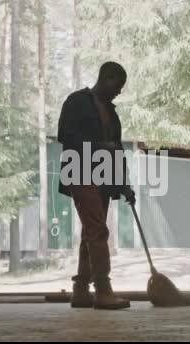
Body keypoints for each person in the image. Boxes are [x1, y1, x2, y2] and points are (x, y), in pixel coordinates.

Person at [57, 62, 135, 310]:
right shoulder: (76, 102)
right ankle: (103, 290)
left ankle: (80, 290)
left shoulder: (111, 113)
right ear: (107, 78)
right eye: (118, 85)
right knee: (98, 230)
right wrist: (100, 147)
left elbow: (117, 150)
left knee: (91, 231)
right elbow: (66, 135)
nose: (119, 92)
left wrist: (124, 184)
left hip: (103, 176)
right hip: (79, 172)